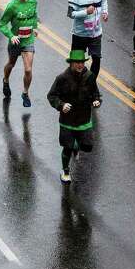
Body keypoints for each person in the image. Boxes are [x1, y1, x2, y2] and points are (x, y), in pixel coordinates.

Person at [46, 50, 99, 183]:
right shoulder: (62, 78)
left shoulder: (90, 77)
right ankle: (65, 171)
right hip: (67, 120)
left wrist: (96, 100)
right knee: (67, 147)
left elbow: (95, 94)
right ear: (71, 63)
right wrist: (61, 105)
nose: (80, 65)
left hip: (84, 119)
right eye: (77, 62)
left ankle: (77, 146)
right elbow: (51, 96)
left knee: (87, 146)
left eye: (82, 62)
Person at [0, 0, 39, 107]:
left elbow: (34, 16)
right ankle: (5, 80)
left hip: (28, 40)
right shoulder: (12, 6)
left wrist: (35, 27)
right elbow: (2, 24)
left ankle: (25, 93)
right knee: (11, 64)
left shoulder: (33, 2)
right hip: (16, 41)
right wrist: (11, 36)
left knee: (28, 70)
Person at [67, 0, 107, 82]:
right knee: (77, 60)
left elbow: (104, 1)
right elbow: (70, 14)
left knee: (97, 59)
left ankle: (91, 84)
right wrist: (85, 12)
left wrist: (104, 12)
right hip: (80, 34)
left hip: (95, 33)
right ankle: (75, 82)